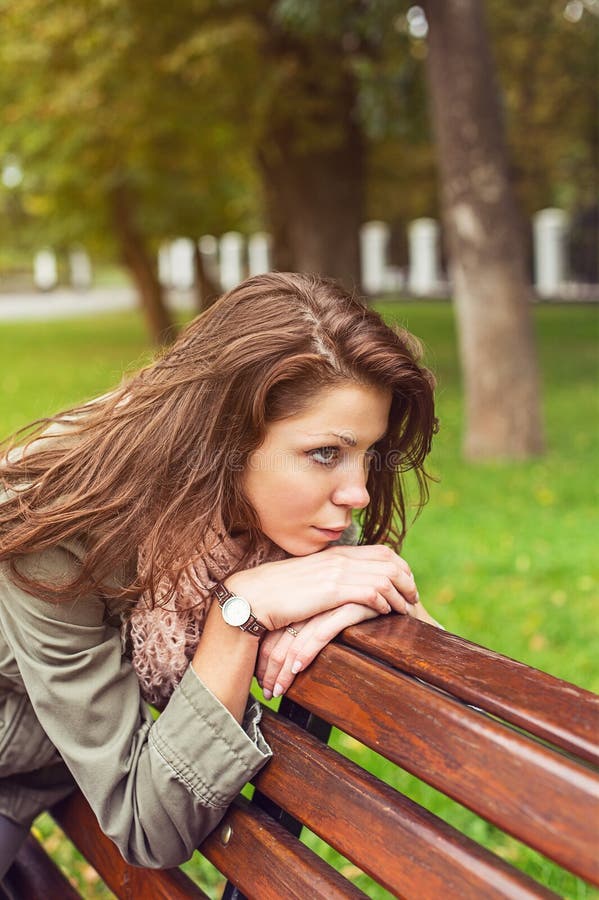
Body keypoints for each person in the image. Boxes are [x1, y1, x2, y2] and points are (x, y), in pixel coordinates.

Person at [0, 271, 439, 877]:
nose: (360, 493)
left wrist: (362, 592)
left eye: (368, 454)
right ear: (226, 434)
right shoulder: (60, 531)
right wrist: (237, 615)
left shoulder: (275, 518)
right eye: (324, 454)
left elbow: (379, 607)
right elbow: (145, 823)